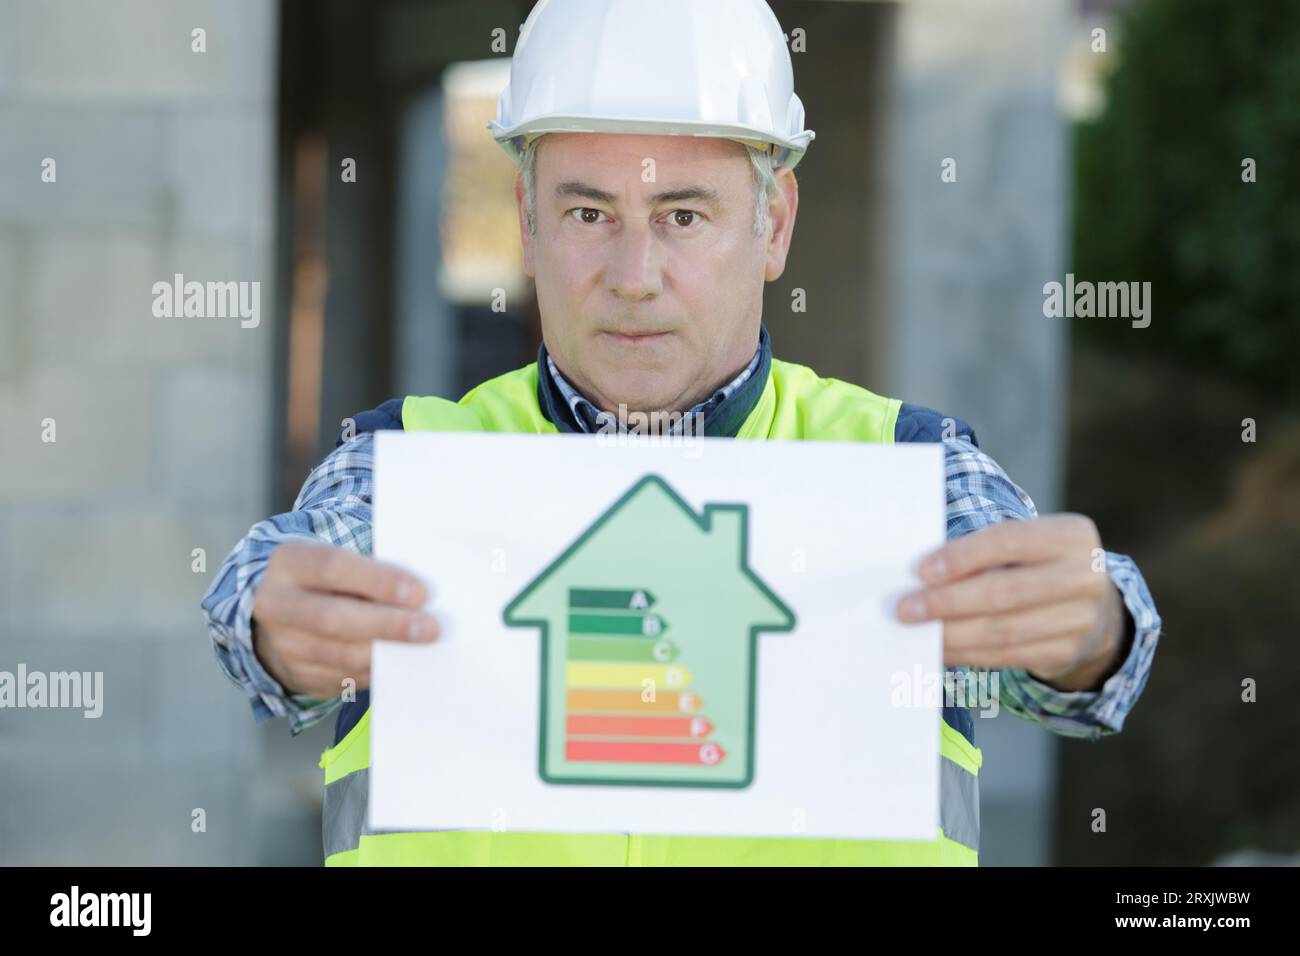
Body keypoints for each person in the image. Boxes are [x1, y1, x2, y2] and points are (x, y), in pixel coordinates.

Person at [201, 0, 1161, 866]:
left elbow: (1082, 670)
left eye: (683, 215)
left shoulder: (905, 473)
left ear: (773, 225)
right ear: (528, 226)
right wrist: (275, 627)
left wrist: (1087, 627)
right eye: (588, 212)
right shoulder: (407, 469)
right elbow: (262, 598)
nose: (632, 275)